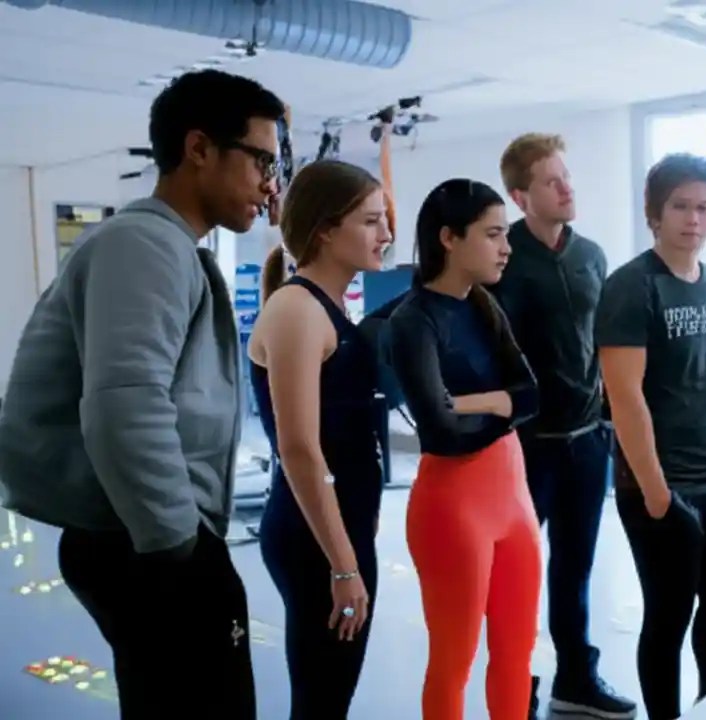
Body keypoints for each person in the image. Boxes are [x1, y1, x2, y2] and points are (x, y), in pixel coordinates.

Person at [0, 69, 285, 718]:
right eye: (261, 159)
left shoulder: (168, 248)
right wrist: (180, 545)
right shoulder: (144, 244)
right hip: (146, 541)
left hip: (143, 535)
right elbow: (125, 406)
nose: (270, 181)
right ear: (199, 149)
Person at [594, 153, 706, 720]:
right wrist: (658, 493)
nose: (694, 219)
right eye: (681, 206)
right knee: (668, 616)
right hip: (661, 489)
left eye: (704, 207)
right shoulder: (632, 287)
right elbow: (625, 396)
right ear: (654, 214)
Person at [491, 132, 636, 719]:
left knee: (574, 570)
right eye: (552, 181)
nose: (567, 187)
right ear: (522, 196)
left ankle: (576, 679)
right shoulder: (502, 257)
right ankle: (513, 690)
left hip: (585, 443)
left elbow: (599, 345)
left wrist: (611, 420)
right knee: (517, 578)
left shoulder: (592, 256)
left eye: (567, 176)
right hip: (526, 447)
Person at [387, 178, 543, 720]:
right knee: (454, 661)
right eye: (494, 234)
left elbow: (531, 397)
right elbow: (441, 430)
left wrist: (482, 401)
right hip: (454, 509)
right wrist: (503, 407)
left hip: (513, 501)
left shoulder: (483, 306)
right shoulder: (413, 321)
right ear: (449, 238)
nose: (506, 247)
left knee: (517, 654)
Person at [248, 159, 393, 718]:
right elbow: (301, 449)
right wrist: (343, 565)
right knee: (321, 697)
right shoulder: (297, 310)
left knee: (332, 692)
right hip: (315, 542)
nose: (385, 234)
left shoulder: (325, 307)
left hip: (341, 530)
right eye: (371, 221)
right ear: (326, 230)